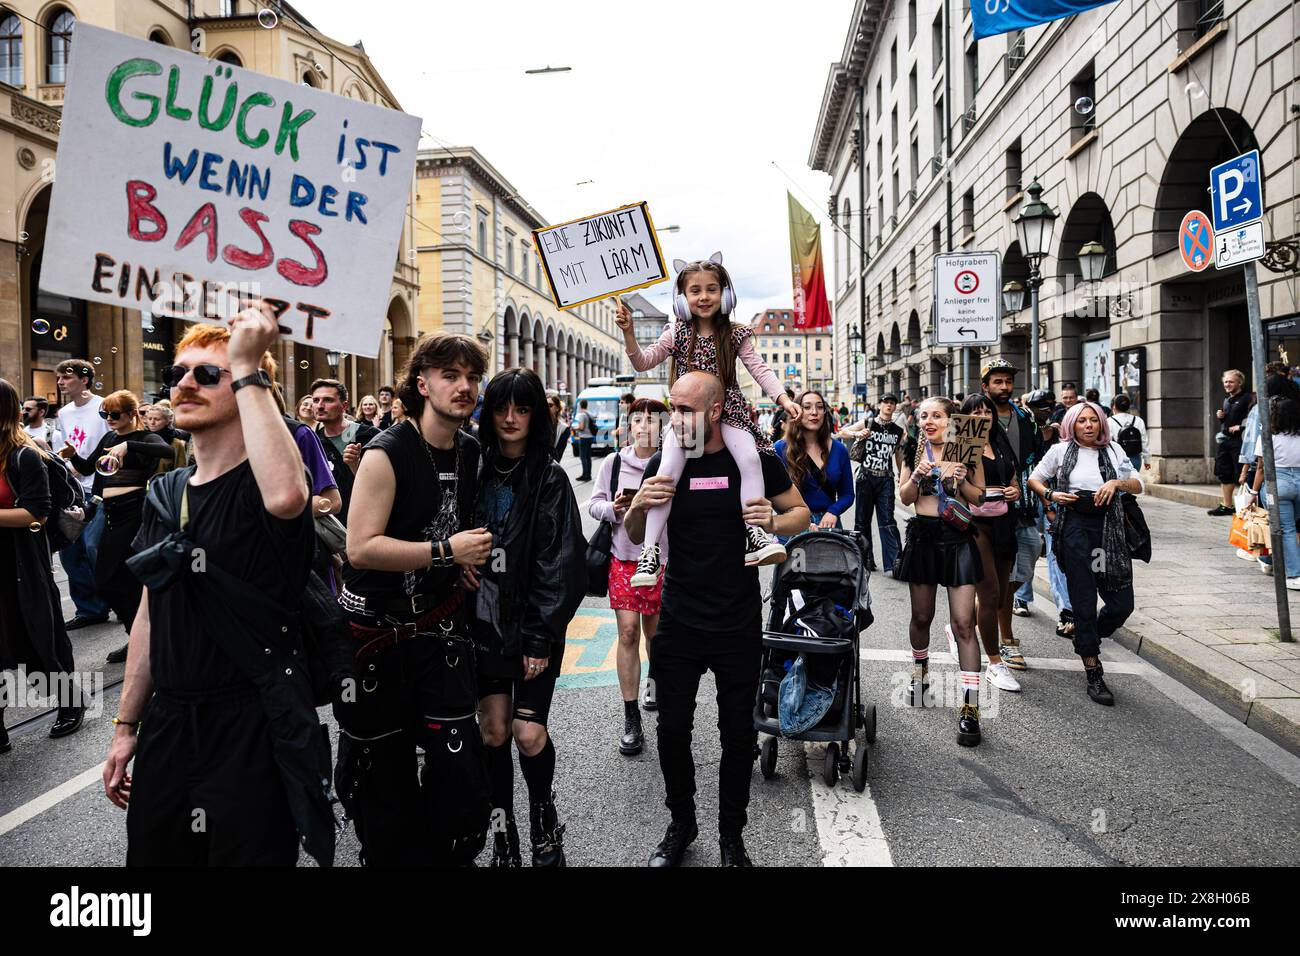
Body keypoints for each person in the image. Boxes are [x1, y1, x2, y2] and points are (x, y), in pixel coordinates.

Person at [102, 307, 328, 866]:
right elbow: (150, 616)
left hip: (252, 728)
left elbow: (288, 497)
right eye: (179, 372)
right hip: (170, 728)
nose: (183, 383)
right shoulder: (167, 491)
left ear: (251, 388)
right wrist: (126, 725)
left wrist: (249, 364)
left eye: (208, 375)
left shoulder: (268, 485)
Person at [625, 371, 810, 867]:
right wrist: (640, 504)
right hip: (680, 617)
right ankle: (681, 823)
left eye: (686, 410)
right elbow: (634, 529)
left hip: (737, 619)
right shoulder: (667, 459)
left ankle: (733, 837)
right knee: (671, 730)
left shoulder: (752, 458)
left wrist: (772, 521)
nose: (676, 418)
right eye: (673, 407)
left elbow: (801, 514)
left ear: (714, 412)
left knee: (737, 735)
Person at [339, 331, 493, 866]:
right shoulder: (387, 453)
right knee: (383, 771)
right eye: (450, 375)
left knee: (458, 767)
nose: (464, 386)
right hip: (377, 636)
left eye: (472, 377)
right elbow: (360, 548)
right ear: (421, 383)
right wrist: (446, 552)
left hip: (442, 629)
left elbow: (457, 527)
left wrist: (463, 563)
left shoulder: (472, 451)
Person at [617, 254, 800, 586]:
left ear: (725, 295)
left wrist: (784, 399)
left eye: (712, 289)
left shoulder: (736, 334)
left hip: (728, 410)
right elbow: (643, 362)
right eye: (695, 290)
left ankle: (754, 534)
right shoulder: (675, 334)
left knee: (749, 458)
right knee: (666, 476)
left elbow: (760, 370)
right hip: (689, 418)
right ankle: (649, 554)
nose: (704, 297)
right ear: (682, 298)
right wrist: (630, 333)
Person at [469, 368, 586, 867]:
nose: (511, 418)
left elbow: (560, 565)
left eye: (521, 409)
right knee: (492, 732)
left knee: (528, 732)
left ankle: (542, 818)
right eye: (501, 408)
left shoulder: (551, 477)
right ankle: (503, 834)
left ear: (536, 414)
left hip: (533, 625)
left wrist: (539, 637)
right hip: (480, 622)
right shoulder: (473, 465)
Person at [1028, 401, 1144, 706]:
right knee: (1083, 597)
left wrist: (1117, 482)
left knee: (1121, 603)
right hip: (1075, 529)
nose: (1089, 425)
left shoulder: (1114, 451)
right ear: (1072, 424)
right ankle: (1093, 670)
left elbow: (1139, 484)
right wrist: (1051, 495)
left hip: (1108, 532)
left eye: (1094, 420)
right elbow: (1034, 479)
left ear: (1102, 424)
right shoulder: (1059, 451)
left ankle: (1087, 633)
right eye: (1082, 421)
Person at [1, 377, 86, 749]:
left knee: (38, 637)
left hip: (21, 563)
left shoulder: (26, 454)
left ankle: (70, 702)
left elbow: (35, 513)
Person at [896, 397, 986, 746]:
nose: (928, 421)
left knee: (964, 623)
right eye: (924, 416)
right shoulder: (913, 451)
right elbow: (904, 497)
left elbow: (977, 499)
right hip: (923, 537)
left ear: (951, 421)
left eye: (936, 415)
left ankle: (970, 708)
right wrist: (918, 474)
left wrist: (963, 481)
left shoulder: (967, 451)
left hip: (958, 540)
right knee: (922, 617)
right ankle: (920, 675)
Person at [66, 391, 173, 664]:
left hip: (135, 512)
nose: (110, 419)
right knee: (110, 580)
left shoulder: (144, 437)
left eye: (115, 414)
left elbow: (167, 450)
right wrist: (72, 454)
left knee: (120, 577)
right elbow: (91, 470)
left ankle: (146, 637)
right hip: (111, 512)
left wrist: (130, 447)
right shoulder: (109, 438)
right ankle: (139, 634)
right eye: (105, 414)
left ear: (131, 414)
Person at [587, 398, 669, 757]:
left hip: (661, 560)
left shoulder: (671, 461)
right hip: (623, 559)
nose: (644, 426)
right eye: (638, 420)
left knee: (655, 634)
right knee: (628, 633)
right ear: (629, 424)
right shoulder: (614, 462)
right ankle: (631, 717)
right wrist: (613, 509)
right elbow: (594, 503)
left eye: (652, 421)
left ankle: (656, 683)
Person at [979, 359, 1043, 669]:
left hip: (1024, 506)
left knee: (1026, 565)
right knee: (998, 580)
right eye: (997, 382)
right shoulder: (972, 418)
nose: (1004, 387)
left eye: (1007, 382)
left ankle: (986, 610)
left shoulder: (1025, 417)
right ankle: (1005, 639)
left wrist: (1046, 501)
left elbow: (1037, 461)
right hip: (986, 513)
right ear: (985, 386)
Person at [957, 395, 1022, 692]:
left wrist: (1014, 491)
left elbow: (1014, 478)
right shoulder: (963, 444)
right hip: (975, 525)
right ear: (966, 417)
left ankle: (961, 625)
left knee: (1001, 593)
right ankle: (994, 663)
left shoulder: (1000, 441)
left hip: (1005, 523)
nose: (983, 415)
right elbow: (955, 486)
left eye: (987, 410)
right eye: (976, 411)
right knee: (991, 593)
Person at [54, 358, 111, 631]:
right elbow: (67, 447)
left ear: (84, 379)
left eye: (65, 377)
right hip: (74, 490)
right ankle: (89, 609)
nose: (60, 382)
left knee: (93, 546)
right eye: (59, 378)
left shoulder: (103, 406)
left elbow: (114, 442)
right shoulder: (64, 413)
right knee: (70, 551)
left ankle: (118, 597)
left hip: (101, 488)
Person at [840, 392, 906, 573]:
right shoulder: (869, 423)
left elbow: (899, 455)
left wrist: (901, 475)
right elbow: (843, 433)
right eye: (886, 402)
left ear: (895, 407)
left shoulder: (899, 431)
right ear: (880, 404)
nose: (889, 406)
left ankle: (895, 563)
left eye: (892, 403)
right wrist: (858, 433)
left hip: (886, 478)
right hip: (866, 477)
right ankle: (863, 559)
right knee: (862, 521)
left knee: (888, 521)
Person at [775, 389, 854, 530]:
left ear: (825, 412)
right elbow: (772, 494)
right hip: (792, 526)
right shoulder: (780, 449)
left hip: (828, 525)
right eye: (807, 407)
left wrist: (833, 511)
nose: (814, 412)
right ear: (795, 411)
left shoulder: (839, 449)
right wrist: (796, 519)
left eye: (819, 407)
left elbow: (847, 494)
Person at [1247, 398, 1300, 587]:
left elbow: (1260, 468)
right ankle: (1277, 562)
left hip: (1279, 483)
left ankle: (1294, 575)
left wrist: (1253, 492)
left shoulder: (1269, 437)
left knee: (1286, 530)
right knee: (1292, 526)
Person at [311, 378, 379, 522]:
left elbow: (385, 485)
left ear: (344, 405)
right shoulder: (314, 442)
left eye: (328, 400)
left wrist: (356, 465)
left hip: (367, 521)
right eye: (316, 400)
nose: (320, 406)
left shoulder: (371, 436)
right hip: (333, 527)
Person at [1210, 370, 1254, 516]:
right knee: (1224, 473)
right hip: (1226, 441)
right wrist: (1221, 416)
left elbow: (1254, 418)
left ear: (1240, 383)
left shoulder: (1248, 398)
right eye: (1226, 382)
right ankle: (1228, 506)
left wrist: (1241, 427)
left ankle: (1248, 507)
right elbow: (1228, 421)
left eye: (1231, 382)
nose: (1227, 384)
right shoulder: (1226, 400)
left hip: (1240, 442)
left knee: (1242, 474)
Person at [1108, 393, 1150, 473]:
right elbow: (1144, 442)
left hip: (1117, 458)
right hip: (1135, 458)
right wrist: (1147, 460)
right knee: (1133, 482)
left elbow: (1108, 441)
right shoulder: (1138, 420)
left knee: (1119, 483)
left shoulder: (1109, 421)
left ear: (1114, 406)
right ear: (1128, 406)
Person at [144, 403, 189, 475]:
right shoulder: (142, 437)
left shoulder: (175, 444)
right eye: (149, 419)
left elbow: (180, 470)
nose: (152, 422)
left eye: (157, 419)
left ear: (167, 421)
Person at [572, 399, 595, 481]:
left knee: (583, 457)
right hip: (590, 437)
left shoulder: (582, 415)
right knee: (588, 457)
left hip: (584, 437)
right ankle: (588, 474)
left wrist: (574, 428)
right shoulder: (590, 414)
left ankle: (585, 475)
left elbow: (581, 427)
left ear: (580, 405)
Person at [548, 393, 571, 462]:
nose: (546, 408)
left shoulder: (564, 429)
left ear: (557, 408)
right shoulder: (536, 424)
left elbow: (558, 455)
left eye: (550, 405)